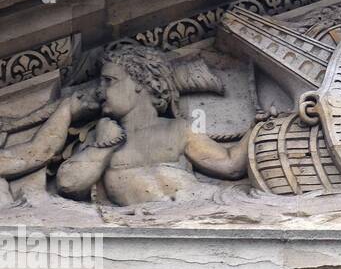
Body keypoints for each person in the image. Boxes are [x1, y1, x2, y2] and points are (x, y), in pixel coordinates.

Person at [56, 42, 251, 205]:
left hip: (200, 211)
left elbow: (230, 165)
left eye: (109, 81)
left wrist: (258, 126)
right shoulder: (99, 137)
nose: (99, 91)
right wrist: (104, 146)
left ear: (141, 81)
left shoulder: (178, 129)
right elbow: (68, 183)